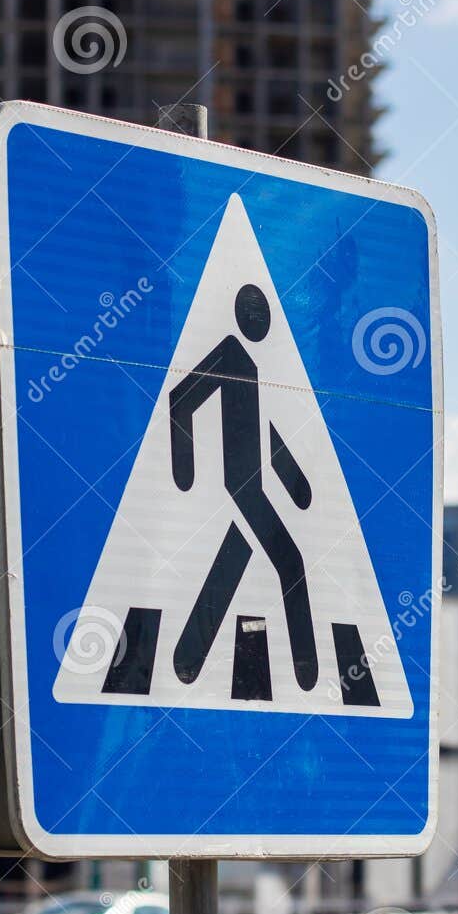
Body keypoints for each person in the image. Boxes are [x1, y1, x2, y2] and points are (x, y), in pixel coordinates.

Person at [168, 283, 317, 692]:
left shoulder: (256, 367)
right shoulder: (228, 354)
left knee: (231, 564)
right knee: (291, 562)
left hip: (251, 484)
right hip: (239, 485)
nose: (259, 322)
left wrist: (296, 482)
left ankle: (186, 661)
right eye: (253, 314)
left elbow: (263, 432)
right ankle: (310, 674)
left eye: (263, 315)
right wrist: (186, 469)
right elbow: (182, 399)